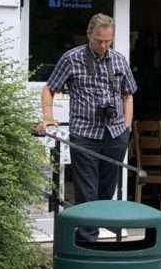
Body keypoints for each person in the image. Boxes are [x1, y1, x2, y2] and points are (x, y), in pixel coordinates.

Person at [38, 13, 138, 239]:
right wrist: (48, 116)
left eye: (108, 41)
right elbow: (49, 88)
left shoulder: (119, 60)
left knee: (106, 191)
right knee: (87, 190)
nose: (103, 45)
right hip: (84, 133)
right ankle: (86, 242)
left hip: (115, 133)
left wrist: (126, 128)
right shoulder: (72, 58)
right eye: (98, 40)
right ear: (89, 35)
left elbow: (128, 95)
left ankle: (100, 233)